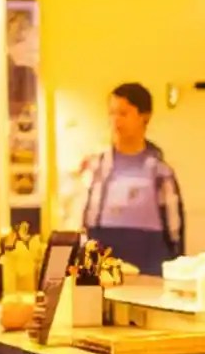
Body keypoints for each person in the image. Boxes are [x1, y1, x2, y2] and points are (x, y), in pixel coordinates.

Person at [72, 82, 185, 275]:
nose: (116, 121)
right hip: (103, 260)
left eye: (123, 114)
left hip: (149, 262)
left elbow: (175, 230)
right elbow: (80, 220)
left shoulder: (160, 172)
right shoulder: (96, 167)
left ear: (145, 117)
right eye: (112, 113)